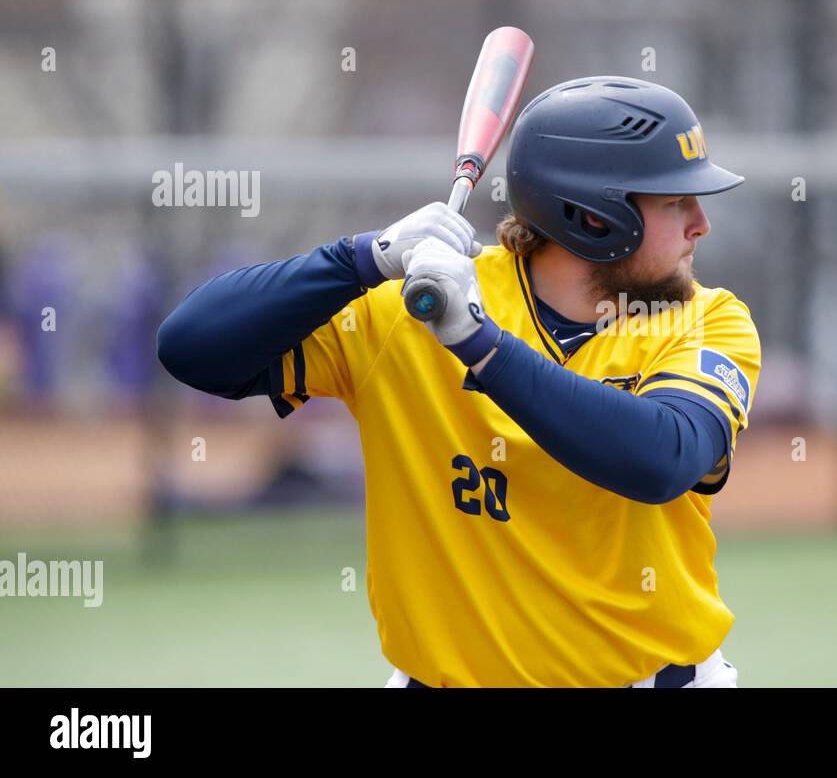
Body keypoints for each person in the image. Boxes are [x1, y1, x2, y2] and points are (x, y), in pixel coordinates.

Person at [157, 76, 761, 687]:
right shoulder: (409, 311)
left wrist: (480, 347)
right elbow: (192, 348)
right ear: (594, 217)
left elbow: (661, 459)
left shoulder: (708, 320)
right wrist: (360, 259)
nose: (701, 223)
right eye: (675, 201)